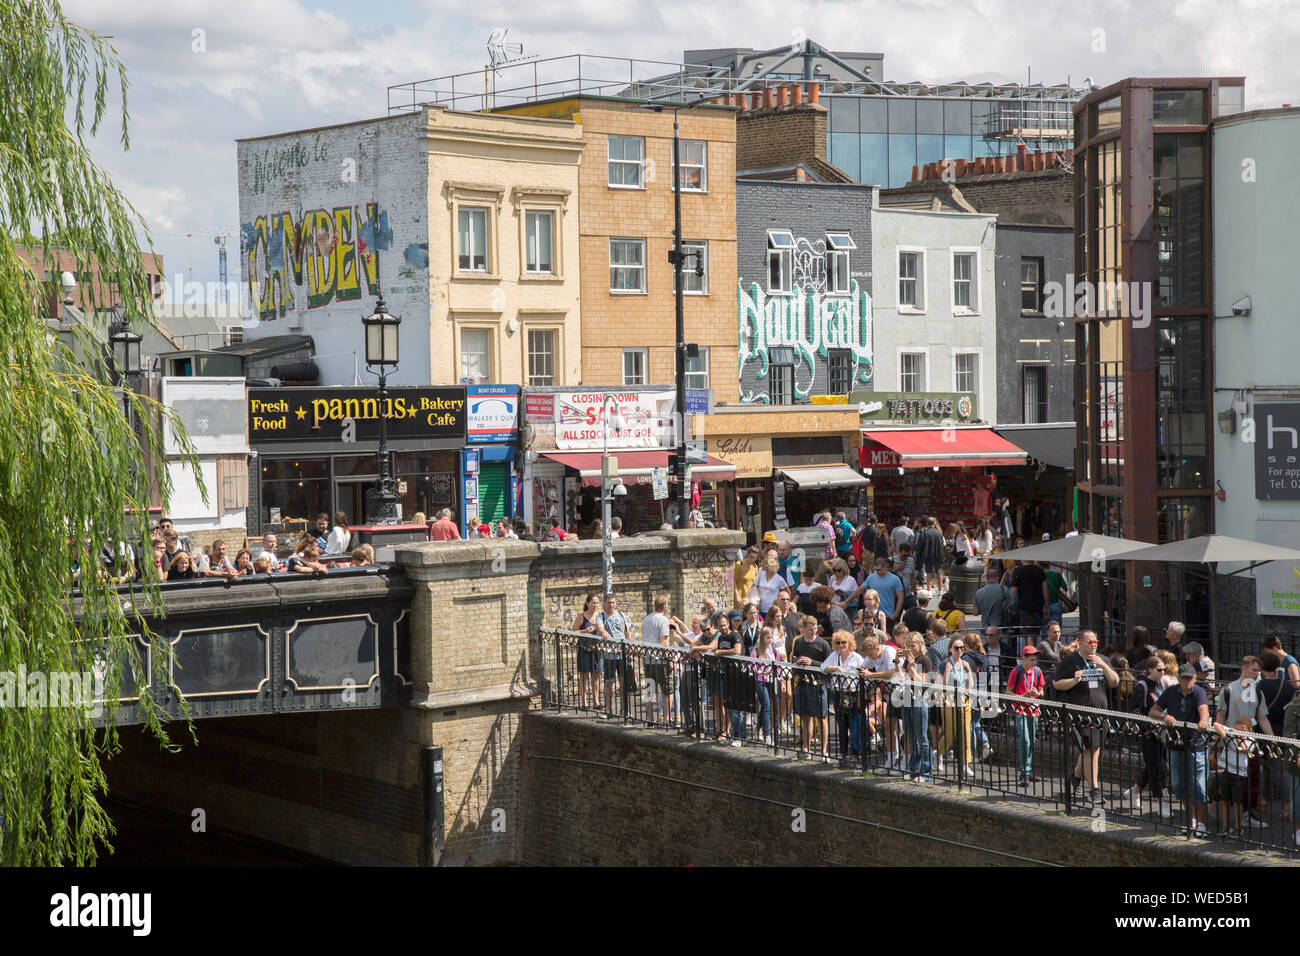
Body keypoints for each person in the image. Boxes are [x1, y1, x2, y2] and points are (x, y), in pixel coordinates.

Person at [1053, 629, 1118, 804]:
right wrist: (1074, 680)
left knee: (1092, 750)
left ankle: (1075, 778)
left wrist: (1103, 665)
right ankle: (1094, 790)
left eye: (1095, 641)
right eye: (1089, 642)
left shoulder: (1102, 660)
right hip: (1081, 715)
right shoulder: (1070, 661)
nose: (1093, 645)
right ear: (1080, 643)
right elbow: (1056, 684)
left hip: (1100, 714)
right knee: (1091, 750)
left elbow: (1114, 682)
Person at [1151, 662, 1212, 836]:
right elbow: (1153, 711)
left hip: (1196, 743)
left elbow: (1203, 709)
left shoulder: (1198, 691)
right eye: (1184, 678)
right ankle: (1191, 818)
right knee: (1179, 784)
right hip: (1175, 743)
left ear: (1194, 678)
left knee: (1199, 785)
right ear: (1178, 679)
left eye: (1190, 678)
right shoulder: (1171, 692)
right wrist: (1165, 716)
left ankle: (1201, 822)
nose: (1187, 682)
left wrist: (1203, 720)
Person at [1126, 656, 1170, 817]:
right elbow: (1133, 709)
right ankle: (1161, 803)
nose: (1163, 672)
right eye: (1159, 670)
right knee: (1158, 768)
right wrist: (1147, 724)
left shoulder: (1162, 684)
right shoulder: (1142, 686)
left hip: (1162, 732)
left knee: (1154, 765)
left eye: (1164, 669)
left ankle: (1135, 790)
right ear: (1150, 669)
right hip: (1148, 732)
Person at [1210, 716, 1259, 837]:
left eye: (1242, 730)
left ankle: (1238, 827)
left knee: (1237, 801)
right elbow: (1216, 724)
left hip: (1240, 774)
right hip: (1228, 770)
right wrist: (1224, 733)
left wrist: (1238, 739)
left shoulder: (1250, 740)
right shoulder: (1232, 734)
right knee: (1224, 799)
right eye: (1237, 729)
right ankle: (1225, 826)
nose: (1239, 732)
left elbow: (1244, 749)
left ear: (1249, 730)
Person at [791, 614, 831, 760]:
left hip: (818, 685)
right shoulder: (799, 642)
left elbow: (829, 665)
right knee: (806, 718)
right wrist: (796, 662)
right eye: (810, 629)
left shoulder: (823, 644)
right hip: (802, 683)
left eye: (815, 629)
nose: (813, 632)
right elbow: (794, 657)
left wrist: (812, 662)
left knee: (822, 718)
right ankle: (806, 748)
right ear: (803, 629)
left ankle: (824, 751)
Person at [858, 634, 900, 770]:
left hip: (901, 692)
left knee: (902, 729)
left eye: (871, 655)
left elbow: (892, 672)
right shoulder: (872, 655)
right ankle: (892, 758)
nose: (870, 658)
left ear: (877, 648)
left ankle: (901, 759)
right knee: (889, 727)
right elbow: (863, 667)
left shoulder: (889, 652)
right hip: (889, 694)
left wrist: (871, 675)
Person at [1007, 646, 1046, 787]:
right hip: (1020, 708)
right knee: (1025, 740)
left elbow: (1041, 691)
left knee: (1032, 741)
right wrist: (1022, 696)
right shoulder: (1016, 671)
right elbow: (1008, 692)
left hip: (1034, 709)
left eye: (1035, 659)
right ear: (1024, 658)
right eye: (1031, 660)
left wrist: (1037, 693)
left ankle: (1028, 770)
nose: (1034, 662)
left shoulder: (1037, 671)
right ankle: (1024, 773)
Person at [936, 636, 975, 776]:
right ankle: (939, 752)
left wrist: (969, 670)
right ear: (950, 649)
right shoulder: (944, 664)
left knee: (966, 732)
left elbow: (970, 686)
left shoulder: (965, 663)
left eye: (962, 648)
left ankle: (965, 764)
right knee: (951, 732)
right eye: (956, 648)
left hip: (964, 700)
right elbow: (942, 686)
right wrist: (947, 671)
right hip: (949, 700)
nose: (959, 650)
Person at [823, 630, 865, 760]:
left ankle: (855, 753)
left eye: (844, 642)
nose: (841, 645)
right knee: (841, 725)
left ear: (849, 643)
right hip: (838, 692)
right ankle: (843, 752)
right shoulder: (834, 656)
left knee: (853, 724)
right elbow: (823, 667)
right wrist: (835, 668)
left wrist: (859, 696)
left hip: (852, 693)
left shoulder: (857, 658)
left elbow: (864, 677)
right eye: (838, 643)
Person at [898, 633, 933, 781]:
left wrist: (912, 668)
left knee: (921, 737)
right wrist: (897, 662)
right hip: (907, 698)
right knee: (911, 736)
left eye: (913, 645)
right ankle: (914, 769)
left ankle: (926, 772)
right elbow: (901, 677)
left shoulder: (924, 660)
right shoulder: (908, 660)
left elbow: (923, 682)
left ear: (920, 645)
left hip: (919, 699)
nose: (910, 648)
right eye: (908, 645)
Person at [1213, 656, 1273, 737]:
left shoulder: (1258, 693)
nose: (1257, 674)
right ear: (1244, 668)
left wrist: (1272, 739)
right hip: (1230, 739)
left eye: (1258, 671)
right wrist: (1217, 738)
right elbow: (1221, 715)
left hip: (1249, 741)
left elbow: (1263, 719)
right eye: (1254, 670)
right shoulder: (1228, 690)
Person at [597, 593, 634, 720]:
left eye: (613, 602)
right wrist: (603, 632)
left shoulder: (622, 615)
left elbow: (627, 633)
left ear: (616, 603)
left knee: (623, 682)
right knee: (608, 683)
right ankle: (608, 709)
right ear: (605, 603)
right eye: (609, 602)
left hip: (622, 654)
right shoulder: (601, 616)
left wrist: (630, 650)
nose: (611, 605)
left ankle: (625, 710)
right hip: (609, 655)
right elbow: (600, 626)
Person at [572, 594, 610, 710]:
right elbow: (573, 632)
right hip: (584, 649)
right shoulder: (581, 617)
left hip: (597, 650)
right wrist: (584, 631)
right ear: (587, 603)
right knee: (584, 676)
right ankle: (584, 702)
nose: (595, 605)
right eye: (593, 602)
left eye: (597, 603)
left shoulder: (600, 617)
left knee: (596, 676)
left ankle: (596, 702)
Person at [751, 626, 781, 745]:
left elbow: (778, 666)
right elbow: (752, 665)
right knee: (767, 705)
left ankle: (759, 728)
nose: (770, 640)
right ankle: (768, 735)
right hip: (760, 681)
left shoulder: (773, 651)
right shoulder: (756, 650)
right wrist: (759, 671)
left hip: (771, 681)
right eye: (768, 637)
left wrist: (780, 680)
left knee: (765, 707)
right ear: (762, 638)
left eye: (771, 637)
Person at [864, 556, 904, 630]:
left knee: (886, 638)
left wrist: (896, 614)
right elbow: (860, 589)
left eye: (879, 570)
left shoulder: (895, 579)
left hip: (888, 615)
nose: (877, 572)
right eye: (876, 570)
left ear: (885, 567)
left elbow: (901, 597)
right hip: (873, 615)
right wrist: (846, 601)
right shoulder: (871, 578)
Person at [1010, 559, 1048, 632]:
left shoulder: (1018, 571)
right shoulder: (1040, 571)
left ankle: (1030, 643)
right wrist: (1047, 607)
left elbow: (1013, 591)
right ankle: (1033, 643)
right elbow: (1045, 591)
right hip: (1038, 606)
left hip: (1024, 606)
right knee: (1035, 632)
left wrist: (1009, 605)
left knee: (1028, 632)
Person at [1283, 692, 1300, 848]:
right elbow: (1290, 736)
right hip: (1297, 762)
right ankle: (1298, 830)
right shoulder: (1293, 708)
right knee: (1298, 797)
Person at [916, 516, 945, 592]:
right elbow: (942, 545)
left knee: (928, 573)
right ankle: (940, 591)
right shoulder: (939, 533)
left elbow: (920, 546)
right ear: (934, 523)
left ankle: (929, 589)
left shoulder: (924, 533)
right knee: (939, 573)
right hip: (938, 556)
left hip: (928, 556)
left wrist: (919, 556)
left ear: (926, 524)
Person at [1039, 561, 1067, 634]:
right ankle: (1056, 645)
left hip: (1043, 606)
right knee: (1057, 630)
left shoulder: (1039, 576)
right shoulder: (1056, 575)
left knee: (1045, 631)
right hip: (1055, 604)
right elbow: (1065, 588)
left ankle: (1046, 644)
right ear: (1049, 565)